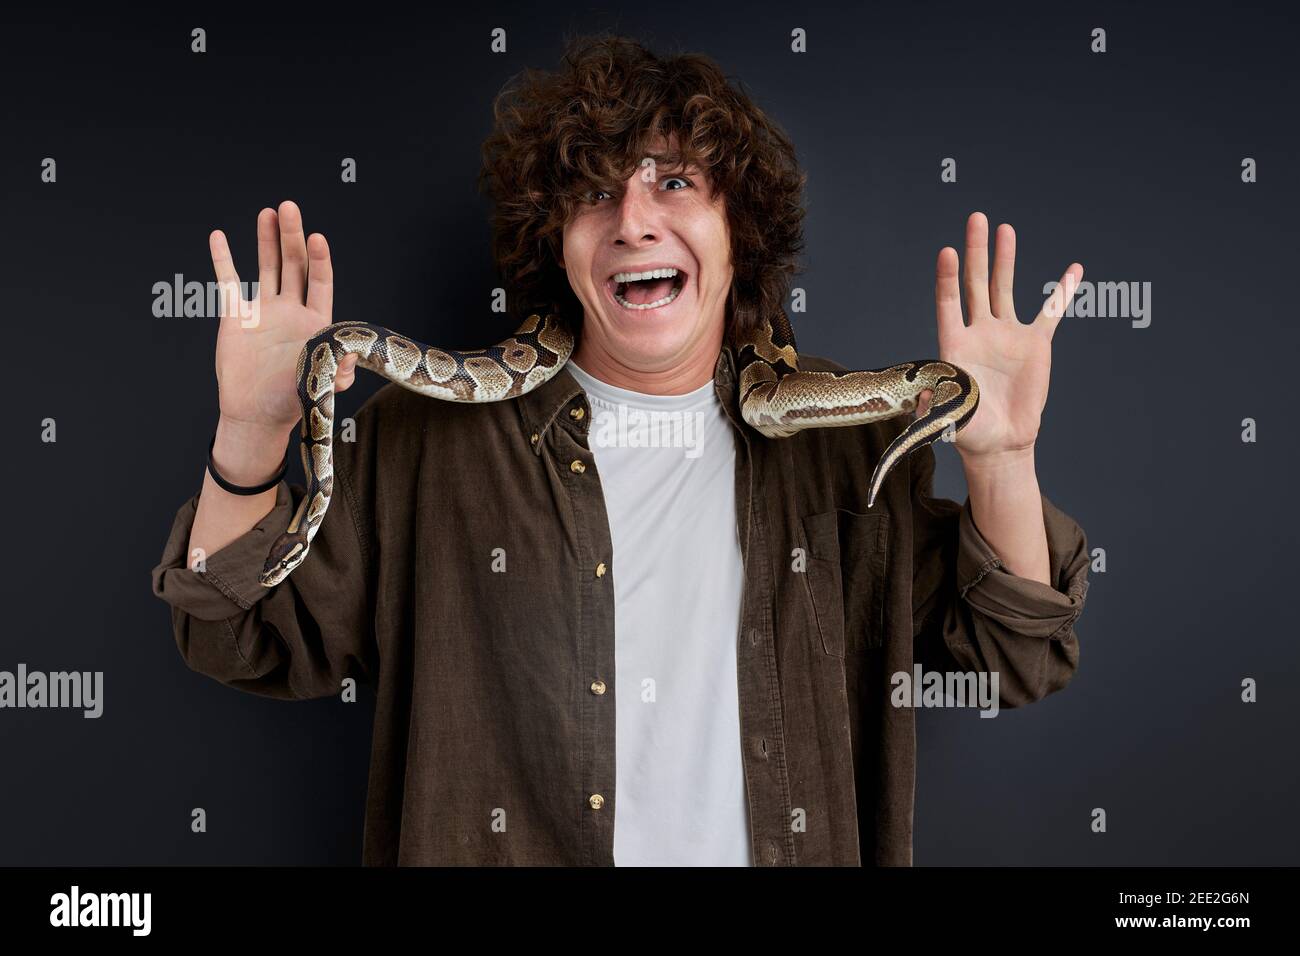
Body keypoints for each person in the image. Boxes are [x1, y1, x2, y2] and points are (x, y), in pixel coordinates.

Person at [151, 34, 1091, 866]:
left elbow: (1010, 660)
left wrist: (1003, 459)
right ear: (557, 245)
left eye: (675, 182)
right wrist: (253, 433)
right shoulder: (425, 443)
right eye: (595, 192)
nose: (633, 219)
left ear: (739, 234)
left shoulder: (844, 443)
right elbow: (234, 634)